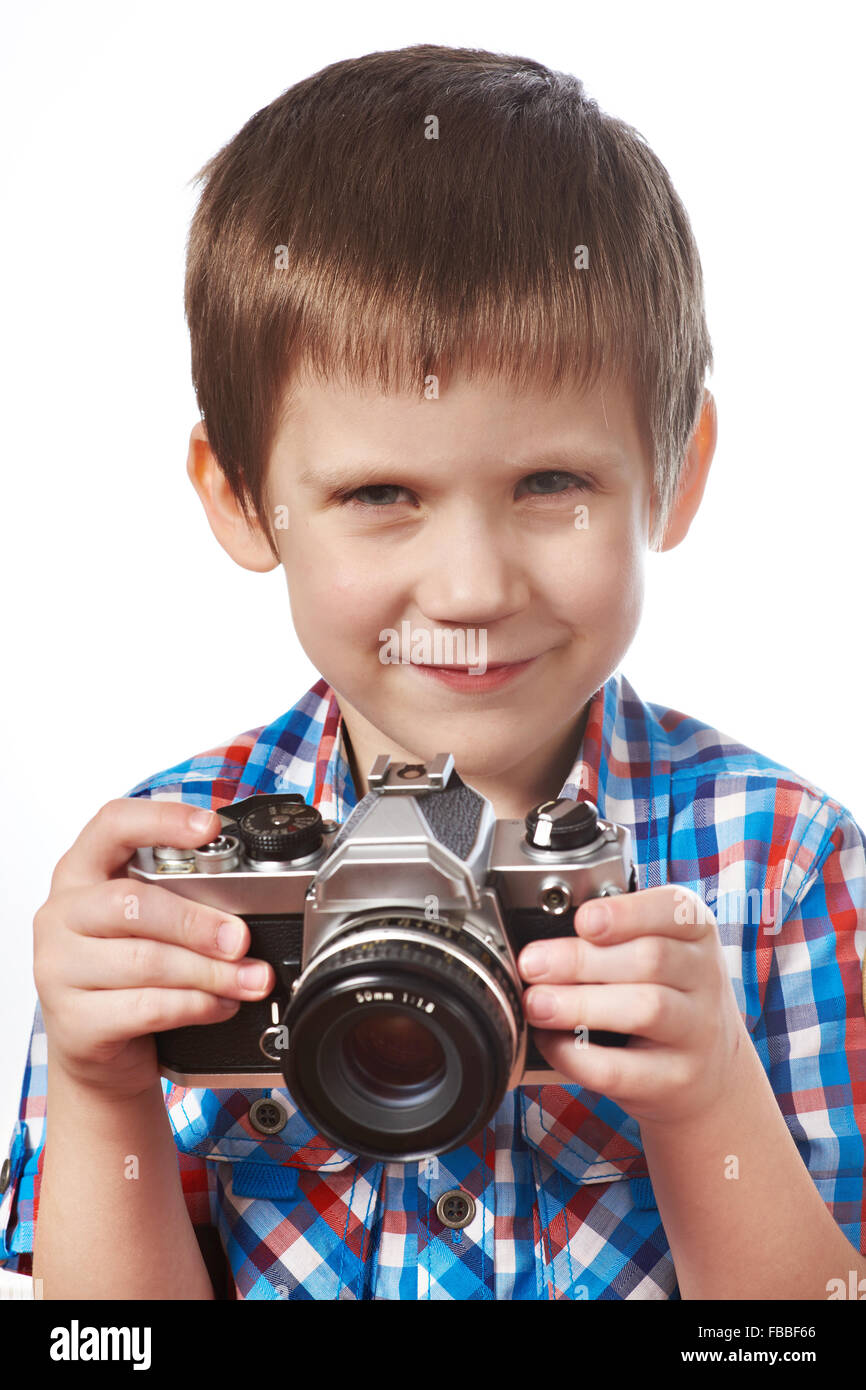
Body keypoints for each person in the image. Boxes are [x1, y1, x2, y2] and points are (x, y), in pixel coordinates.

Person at [2, 43, 864, 1301]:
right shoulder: (174, 882)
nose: (469, 586)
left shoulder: (781, 871)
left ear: (675, 472)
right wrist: (97, 1085)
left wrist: (706, 1100)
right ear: (242, 500)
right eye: (378, 493)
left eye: (550, 483)